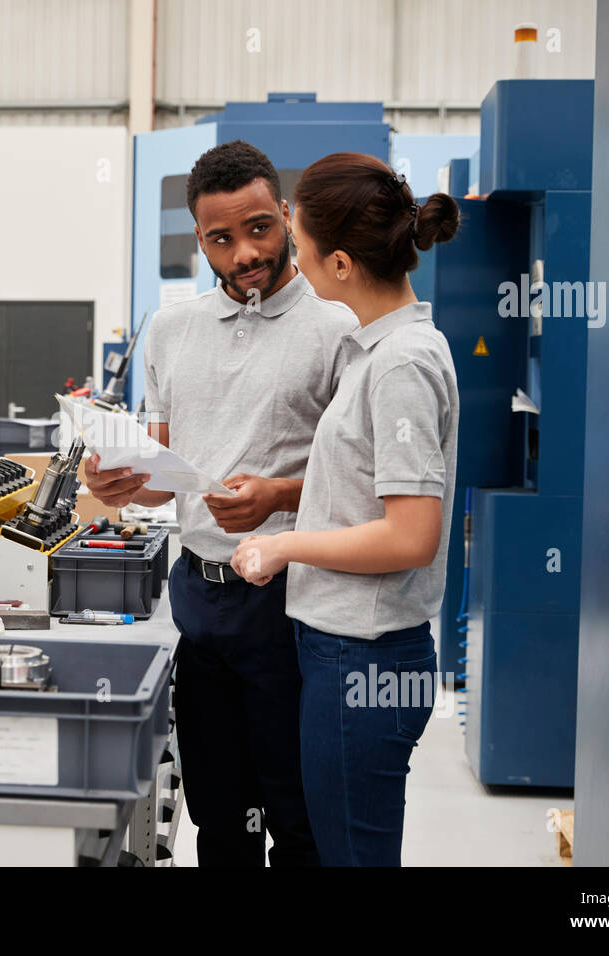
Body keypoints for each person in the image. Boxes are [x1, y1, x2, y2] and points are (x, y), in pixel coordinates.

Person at [83, 141, 355, 867]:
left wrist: (281, 495)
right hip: (198, 601)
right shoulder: (171, 332)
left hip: (295, 605)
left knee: (298, 816)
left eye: (260, 228)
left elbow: (365, 485)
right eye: (221, 239)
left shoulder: (338, 329)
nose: (245, 253)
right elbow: (165, 472)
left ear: (289, 218)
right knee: (219, 814)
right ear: (199, 240)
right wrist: (116, 481)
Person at [230, 153, 461, 866]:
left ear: (336, 265)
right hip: (343, 648)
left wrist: (283, 546)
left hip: (363, 655)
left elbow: (410, 535)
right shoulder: (377, 352)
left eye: (296, 246)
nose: (288, 260)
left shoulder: (401, 365)